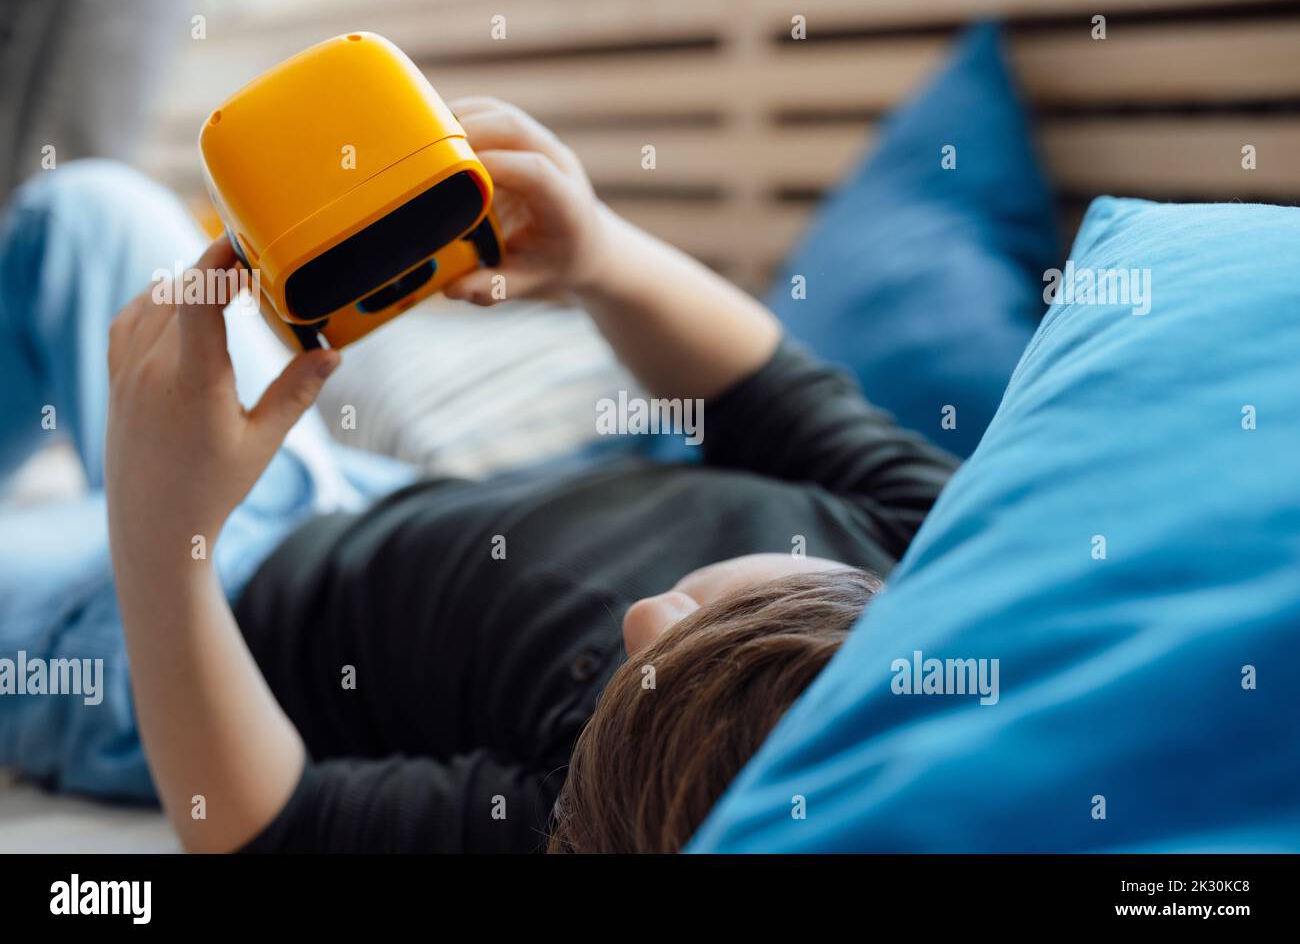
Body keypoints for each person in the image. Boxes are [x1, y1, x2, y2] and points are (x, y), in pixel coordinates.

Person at [1, 99, 956, 853]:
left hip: (172, 625)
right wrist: (599, 254)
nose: (642, 625)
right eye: (728, 646)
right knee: (88, 208)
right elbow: (763, 388)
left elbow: (266, 823)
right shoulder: (932, 541)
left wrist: (161, 529)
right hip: (340, 497)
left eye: (648, 680)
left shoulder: (606, 795)